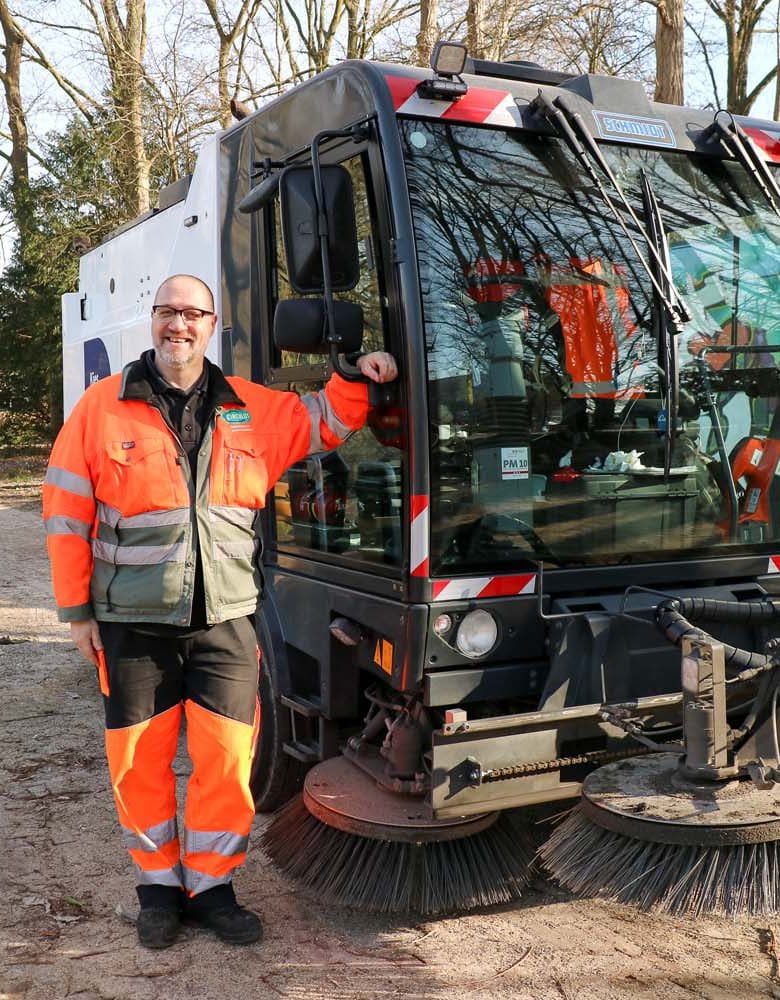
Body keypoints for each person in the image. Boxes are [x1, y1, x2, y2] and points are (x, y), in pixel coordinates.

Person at [43, 274, 398, 949]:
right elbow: (65, 516)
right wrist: (76, 611)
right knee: (138, 763)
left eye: (192, 314)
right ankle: (157, 890)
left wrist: (361, 375)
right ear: (153, 321)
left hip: (228, 621)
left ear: (211, 326)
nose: (179, 324)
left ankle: (211, 887)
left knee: (227, 760)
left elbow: (324, 420)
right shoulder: (101, 409)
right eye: (167, 312)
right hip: (132, 624)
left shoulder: (251, 407)